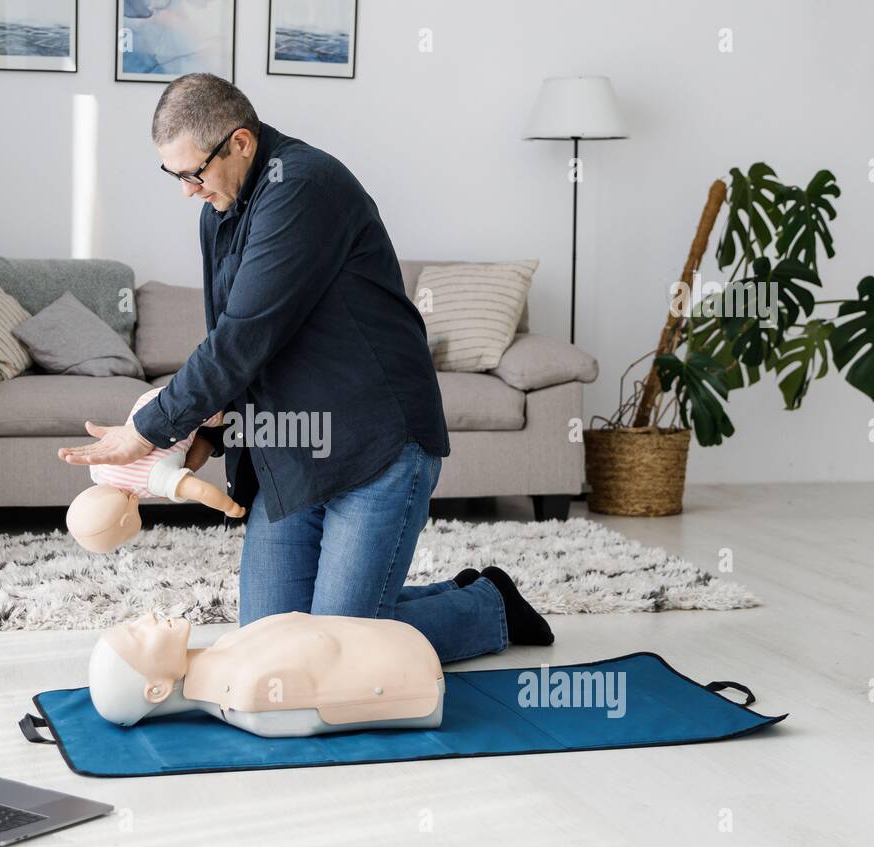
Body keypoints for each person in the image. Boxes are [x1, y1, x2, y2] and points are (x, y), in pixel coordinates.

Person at [60, 73, 552, 661]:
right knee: (269, 648)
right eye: (175, 175)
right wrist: (208, 433)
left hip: (375, 442)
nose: (187, 190)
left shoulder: (303, 188)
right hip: (291, 447)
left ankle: (490, 605)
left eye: (194, 173)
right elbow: (234, 337)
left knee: (333, 653)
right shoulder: (218, 208)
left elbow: (244, 337)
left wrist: (143, 432)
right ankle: (429, 601)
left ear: (241, 142)